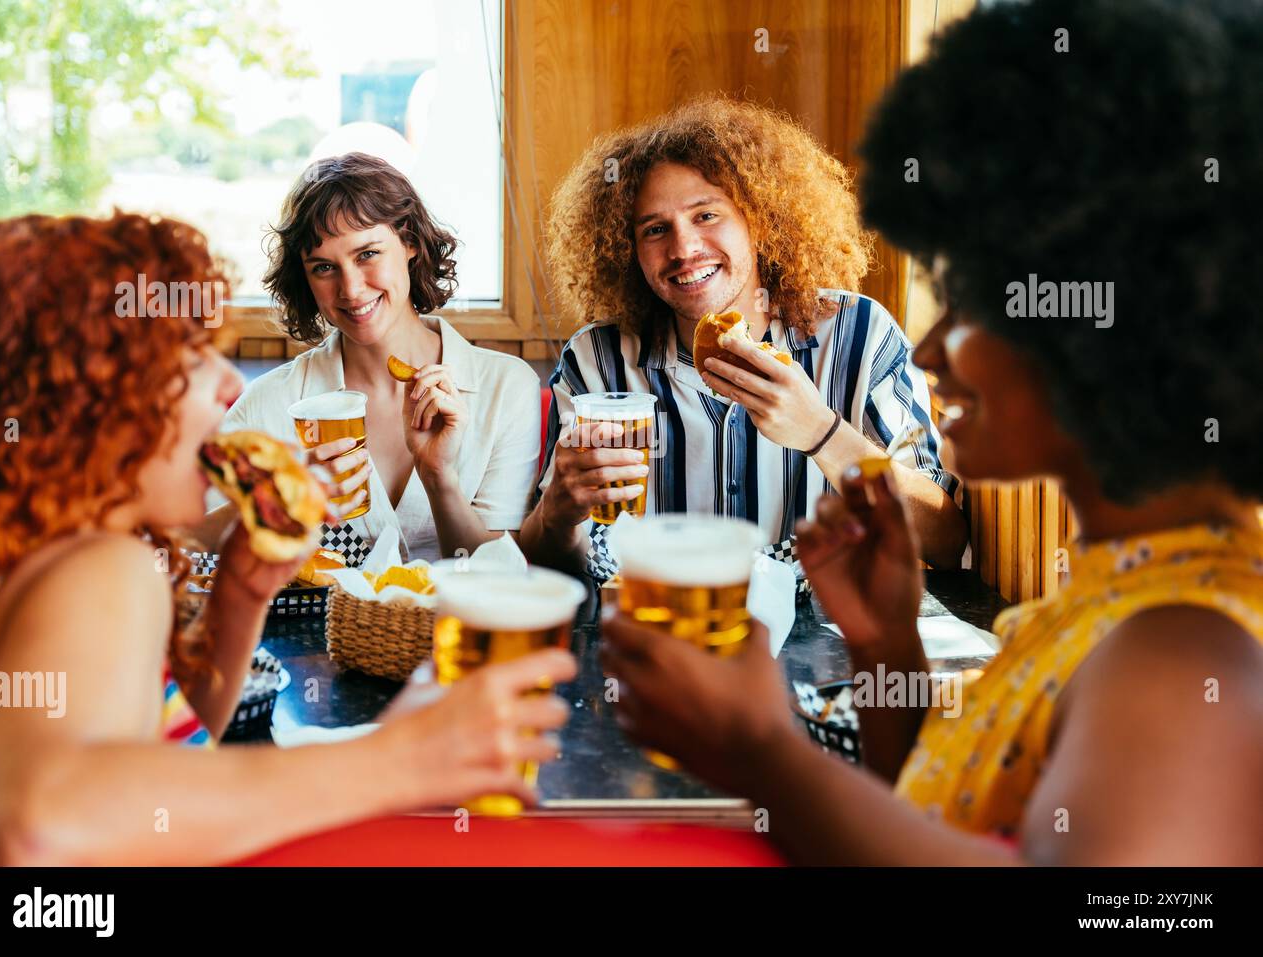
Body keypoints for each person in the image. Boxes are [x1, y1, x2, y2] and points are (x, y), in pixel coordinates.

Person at [600, 0, 1263, 865]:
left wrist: (761, 752)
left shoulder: (1182, 650)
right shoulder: (1111, 596)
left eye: (971, 301)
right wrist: (887, 646)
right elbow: (932, 821)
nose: (928, 349)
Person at [0, 212, 574, 865]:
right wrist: (394, 759)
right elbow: (41, 828)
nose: (230, 384)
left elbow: (155, 750)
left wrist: (240, 595)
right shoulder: (100, 566)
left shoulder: (33, 544)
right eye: (192, 358)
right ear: (97, 393)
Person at [519, 96, 967, 582]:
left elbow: (945, 539)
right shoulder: (596, 362)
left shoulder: (860, 335)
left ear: (760, 218)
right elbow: (544, 564)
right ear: (628, 249)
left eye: (707, 215)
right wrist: (557, 514)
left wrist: (820, 432)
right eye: (655, 229)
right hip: (654, 630)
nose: (684, 249)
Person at [205, 152, 540, 565]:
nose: (351, 289)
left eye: (367, 254)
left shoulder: (507, 388)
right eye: (324, 267)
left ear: (411, 242)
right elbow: (186, 542)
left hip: (458, 628)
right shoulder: (270, 403)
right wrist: (275, 500)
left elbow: (502, 571)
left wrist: (439, 480)